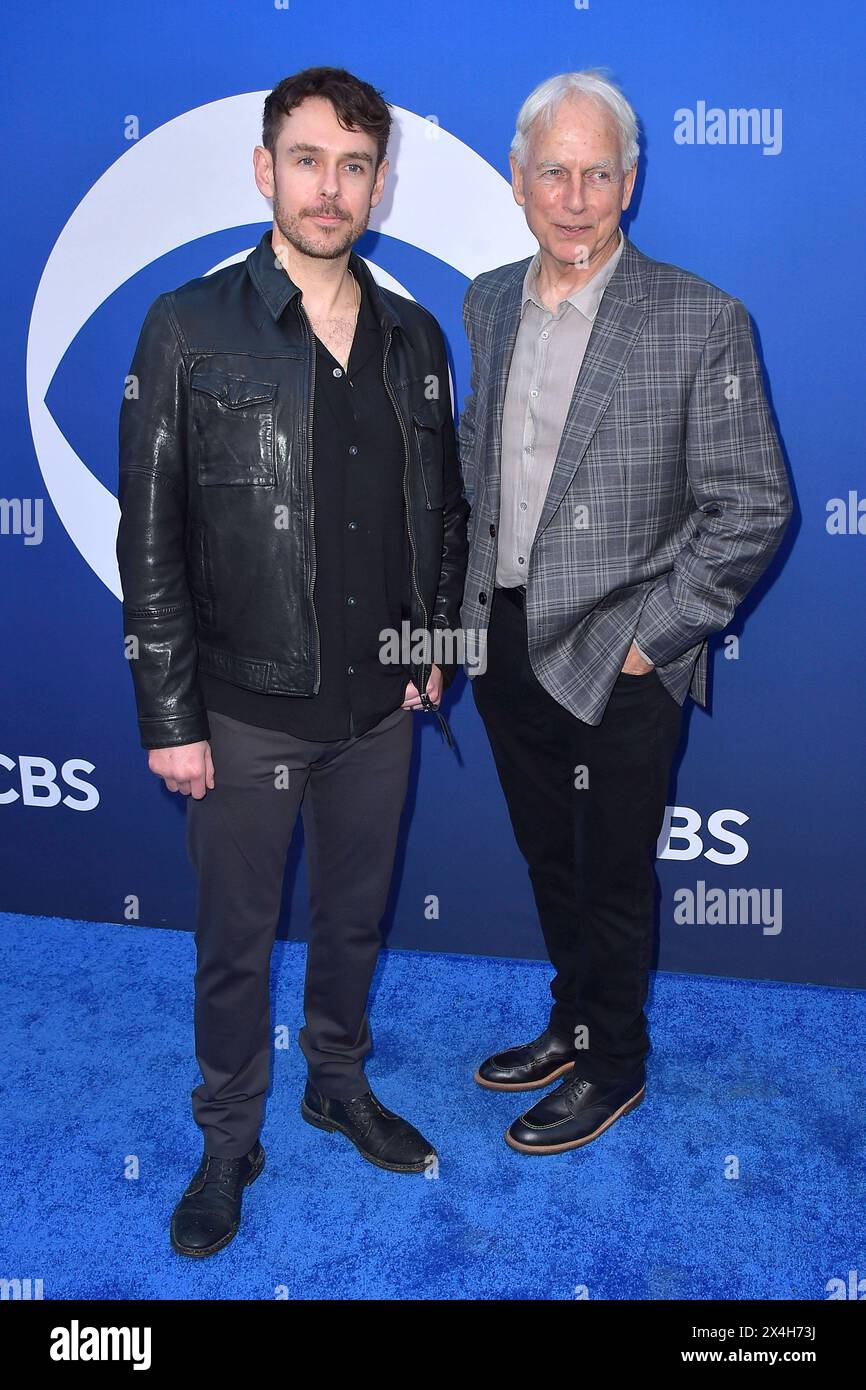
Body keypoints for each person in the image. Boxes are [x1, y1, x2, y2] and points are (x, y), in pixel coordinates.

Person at [116, 65, 468, 1256]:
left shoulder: (414, 334)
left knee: (354, 920)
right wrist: (171, 710)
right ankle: (227, 1138)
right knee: (235, 940)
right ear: (265, 171)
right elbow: (149, 535)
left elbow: (446, 512)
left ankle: (336, 1081)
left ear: (379, 182)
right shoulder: (186, 325)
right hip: (243, 710)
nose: (331, 187)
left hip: (380, 704)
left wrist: (434, 649)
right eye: (308, 160)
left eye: (354, 165)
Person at [458, 69, 792, 1155]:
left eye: (595, 172)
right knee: (548, 858)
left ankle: (614, 1064)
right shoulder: (485, 299)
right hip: (501, 639)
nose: (572, 195)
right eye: (551, 170)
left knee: (608, 872)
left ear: (629, 183)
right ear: (516, 180)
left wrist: (655, 639)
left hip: (621, 657)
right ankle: (572, 1018)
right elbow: (478, 471)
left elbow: (753, 505)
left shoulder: (700, 318)